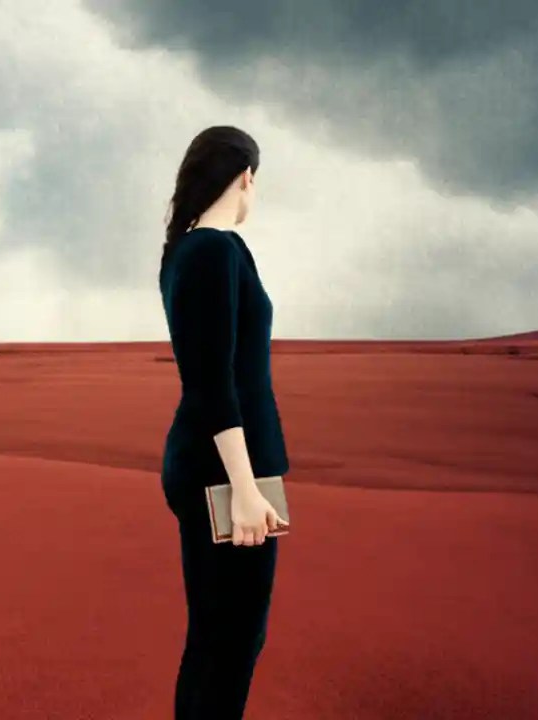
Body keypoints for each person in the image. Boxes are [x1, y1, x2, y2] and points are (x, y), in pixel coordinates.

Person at [157, 125, 291, 719]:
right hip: (227, 472)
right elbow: (214, 382)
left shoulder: (188, 249)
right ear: (246, 178)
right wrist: (242, 489)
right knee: (233, 642)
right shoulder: (216, 249)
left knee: (216, 638)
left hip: (218, 463)